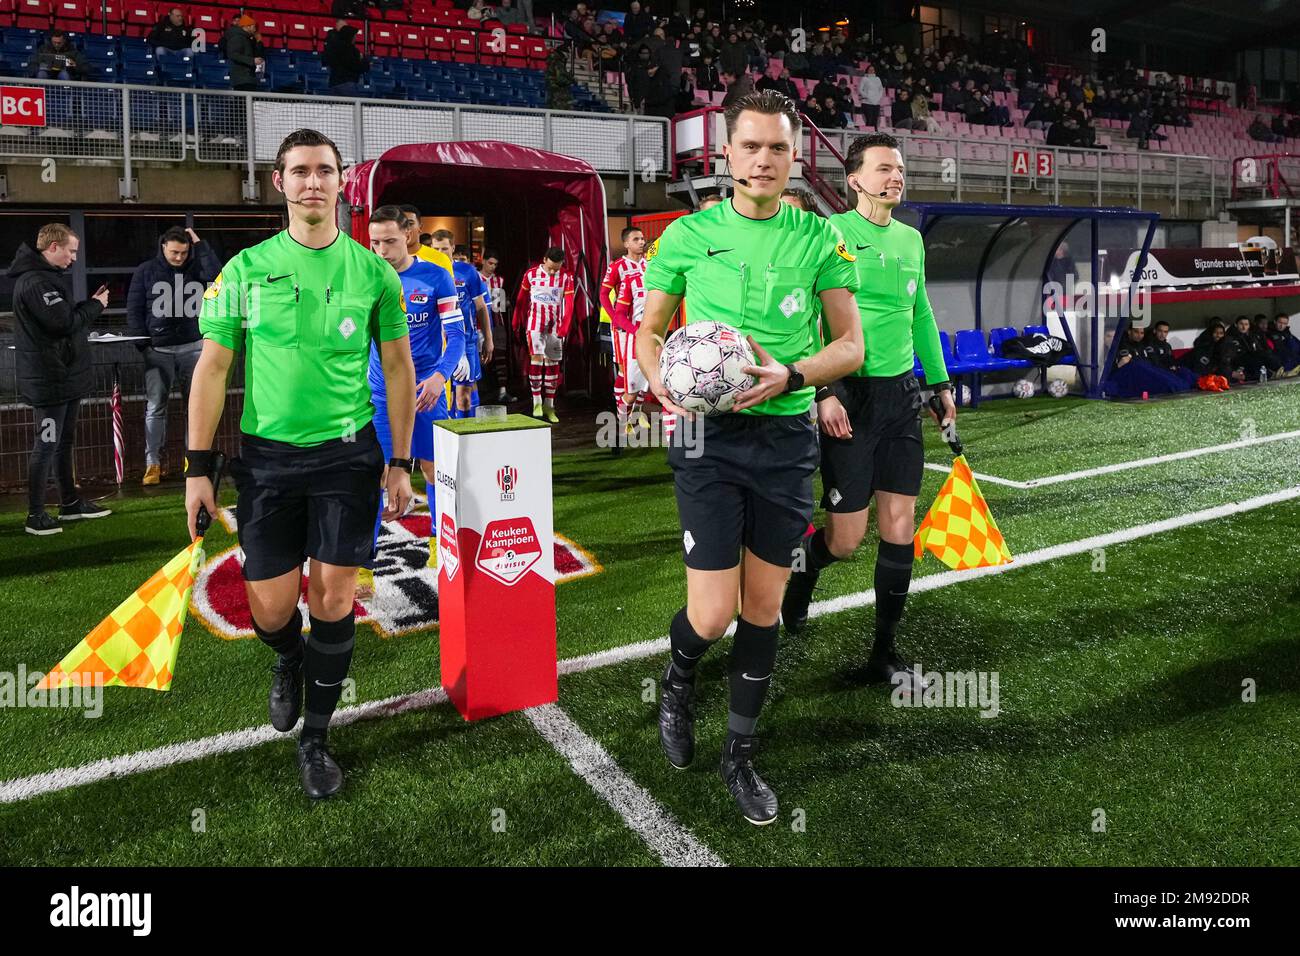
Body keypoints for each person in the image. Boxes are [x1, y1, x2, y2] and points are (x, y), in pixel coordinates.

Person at [636, 90, 864, 825]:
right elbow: (651, 333)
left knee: (762, 608)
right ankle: (678, 679)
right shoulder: (684, 235)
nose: (763, 160)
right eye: (751, 147)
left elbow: (850, 347)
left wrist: (793, 376)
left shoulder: (820, 239)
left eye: (778, 149)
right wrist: (660, 386)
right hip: (708, 440)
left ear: (794, 158)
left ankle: (740, 753)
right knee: (711, 614)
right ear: (725, 154)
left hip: (785, 437)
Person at [187, 129, 416, 799]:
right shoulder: (243, 270)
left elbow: (399, 368)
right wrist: (197, 467)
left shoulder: (373, 273)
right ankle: (288, 658)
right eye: (299, 171)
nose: (312, 180)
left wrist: (399, 460)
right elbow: (212, 368)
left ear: (341, 181)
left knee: (335, 596)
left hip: (348, 459)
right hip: (267, 463)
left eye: (324, 170)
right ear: (278, 183)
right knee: (270, 608)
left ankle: (316, 738)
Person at [781, 131, 954, 697]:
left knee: (900, 526)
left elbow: (921, 313)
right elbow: (807, 315)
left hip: (901, 397)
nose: (895, 177)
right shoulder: (831, 234)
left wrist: (939, 381)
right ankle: (800, 582)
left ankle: (884, 648)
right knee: (846, 539)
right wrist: (821, 392)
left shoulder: (911, 239)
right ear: (854, 180)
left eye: (899, 169)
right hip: (847, 395)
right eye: (883, 169)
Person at [358, 205, 464, 600]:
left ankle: (441, 550)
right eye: (374, 243)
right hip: (381, 394)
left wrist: (439, 376)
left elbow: (455, 337)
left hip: (426, 394)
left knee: (436, 473)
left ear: (408, 235)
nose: (381, 250)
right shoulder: (367, 277)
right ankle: (365, 563)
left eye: (389, 241)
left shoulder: (436, 276)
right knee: (377, 476)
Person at [13, 223, 112, 536]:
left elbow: (64, 321)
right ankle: (35, 515)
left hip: (62, 377)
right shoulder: (35, 283)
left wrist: (88, 306)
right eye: (70, 251)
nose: (73, 258)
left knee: (62, 443)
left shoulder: (46, 279)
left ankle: (69, 503)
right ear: (53, 247)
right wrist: (96, 306)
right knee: (45, 446)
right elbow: (63, 323)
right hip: (49, 381)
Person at [126, 226, 222, 486]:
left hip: (193, 348)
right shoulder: (146, 271)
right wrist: (144, 346)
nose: (179, 257)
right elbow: (134, 310)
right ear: (163, 247)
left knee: (196, 408)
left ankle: (193, 463)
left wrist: (201, 246)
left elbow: (218, 276)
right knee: (156, 407)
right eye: (174, 252)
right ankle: (152, 464)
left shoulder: (197, 267)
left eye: (183, 252)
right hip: (159, 351)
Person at [429, 234, 492, 418]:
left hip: (466, 341)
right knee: (443, 396)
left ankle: (466, 441)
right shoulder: (427, 274)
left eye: (444, 249)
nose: (440, 253)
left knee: (463, 395)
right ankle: (446, 441)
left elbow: (481, 306)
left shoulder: (467, 271)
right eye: (436, 249)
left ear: (453, 248)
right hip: (436, 345)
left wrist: (488, 339)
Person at [516, 247, 574, 422]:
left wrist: (565, 324)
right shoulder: (531, 274)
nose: (552, 271)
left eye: (556, 268)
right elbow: (521, 298)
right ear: (544, 260)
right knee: (537, 360)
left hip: (554, 327)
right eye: (550, 268)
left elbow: (569, 303)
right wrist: (516, 319)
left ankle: (550, 405)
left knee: (552, 365)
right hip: (535, 324)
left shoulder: (566, 277)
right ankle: (536, 402)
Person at [600, 226, 648, 431]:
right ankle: (623, 415)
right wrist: (615, 319)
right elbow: (603, 294)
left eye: (643, 238)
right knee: (625, 371)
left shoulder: (650, 265)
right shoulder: (617, 266)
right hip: (624, 328)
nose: (641, 242)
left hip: (645, 325)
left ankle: (637, 412)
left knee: (646, 370)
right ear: (626, 243)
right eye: (636, 239)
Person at [479, 250, 515, 403]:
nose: (493, 267)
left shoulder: (498, 280)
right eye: (490, 263)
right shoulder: (474, 277)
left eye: (495, 264)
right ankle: (478, 394)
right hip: (478, 324)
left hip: (497, 322)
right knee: (481, 358)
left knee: (500, 357)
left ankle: (502, 391)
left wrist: (504, 302)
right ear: (483, 260)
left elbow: (499, 307)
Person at [322, 21, 368, 97]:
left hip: (334, 83)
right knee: (356, 107)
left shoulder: (333, 46)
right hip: (347, 83)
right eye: (354, 36)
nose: (355, 38)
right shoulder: (350, 50)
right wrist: (364, 62)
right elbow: (356, 66)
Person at [225, 15, 262, 91]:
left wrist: (258, 42)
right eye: (253, 26)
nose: (255, 29)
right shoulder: (237, 37)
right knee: (243, 102)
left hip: (248, 77)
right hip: (242, 79)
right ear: (247, 27)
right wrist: (252, 61)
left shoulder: (248, 38)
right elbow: (233, 54)